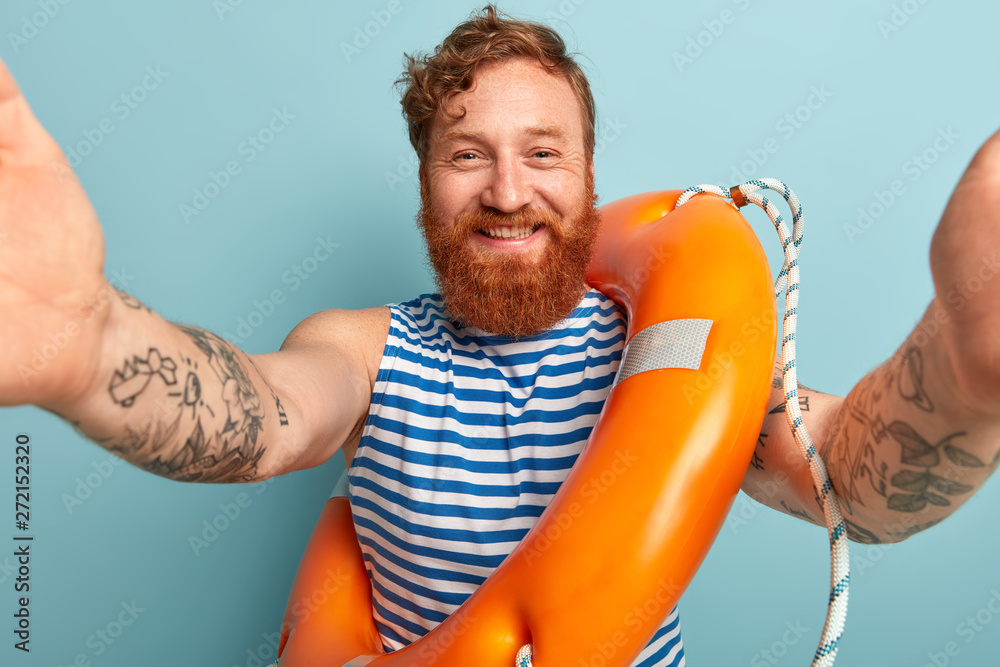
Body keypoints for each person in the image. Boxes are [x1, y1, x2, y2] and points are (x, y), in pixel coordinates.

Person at [2, 4, 999, 666]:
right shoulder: (362, 347)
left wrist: (963, 368)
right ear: (425, 183)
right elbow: (264, 419)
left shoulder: (668, 345)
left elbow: (852, 486)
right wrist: (87, 344)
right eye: (466, 154)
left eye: (542, 153)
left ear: (590, 175)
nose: (509, 192)